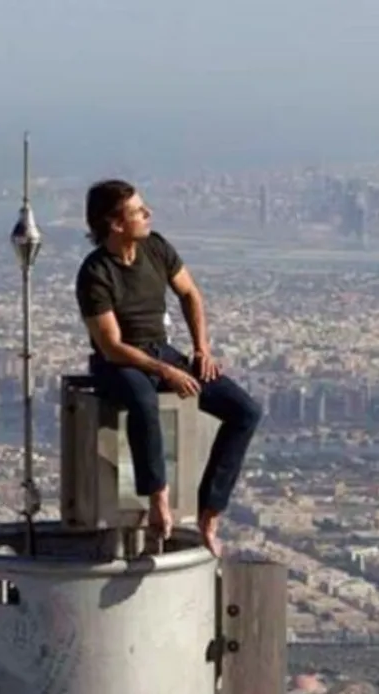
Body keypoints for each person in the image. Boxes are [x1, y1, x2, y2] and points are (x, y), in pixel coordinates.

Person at [75, 179, 262, 555]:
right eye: (138, 212)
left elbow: (190, 292)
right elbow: (112, 346)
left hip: (161, 351)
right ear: (116, 224)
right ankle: (157, 497)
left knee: (245, 410)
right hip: (118, 362)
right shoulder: (95, 273)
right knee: (143, 402)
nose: (148, 215)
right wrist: (165, 372)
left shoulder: (156, 248)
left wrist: (201, 350)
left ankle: (211, 509)